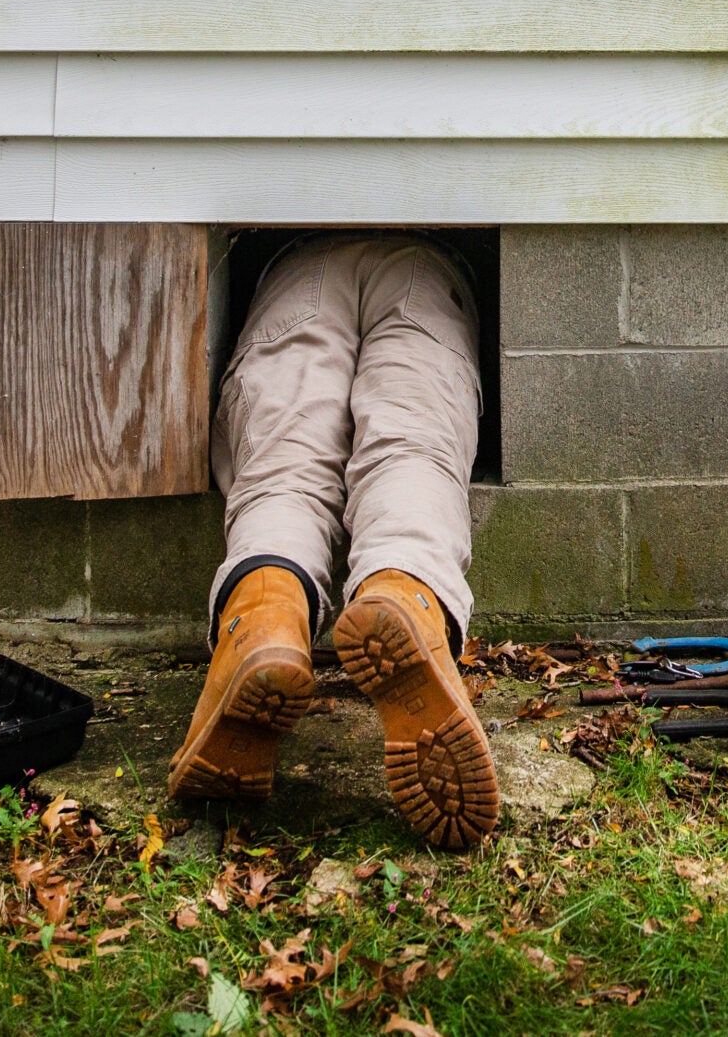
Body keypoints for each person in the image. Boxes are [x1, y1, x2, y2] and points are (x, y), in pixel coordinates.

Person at [166, 234, 499, 849]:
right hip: (429, 268)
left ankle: (265, 615)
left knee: (284, 471)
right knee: (412, 449)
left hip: (296, 268)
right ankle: (406, 592)